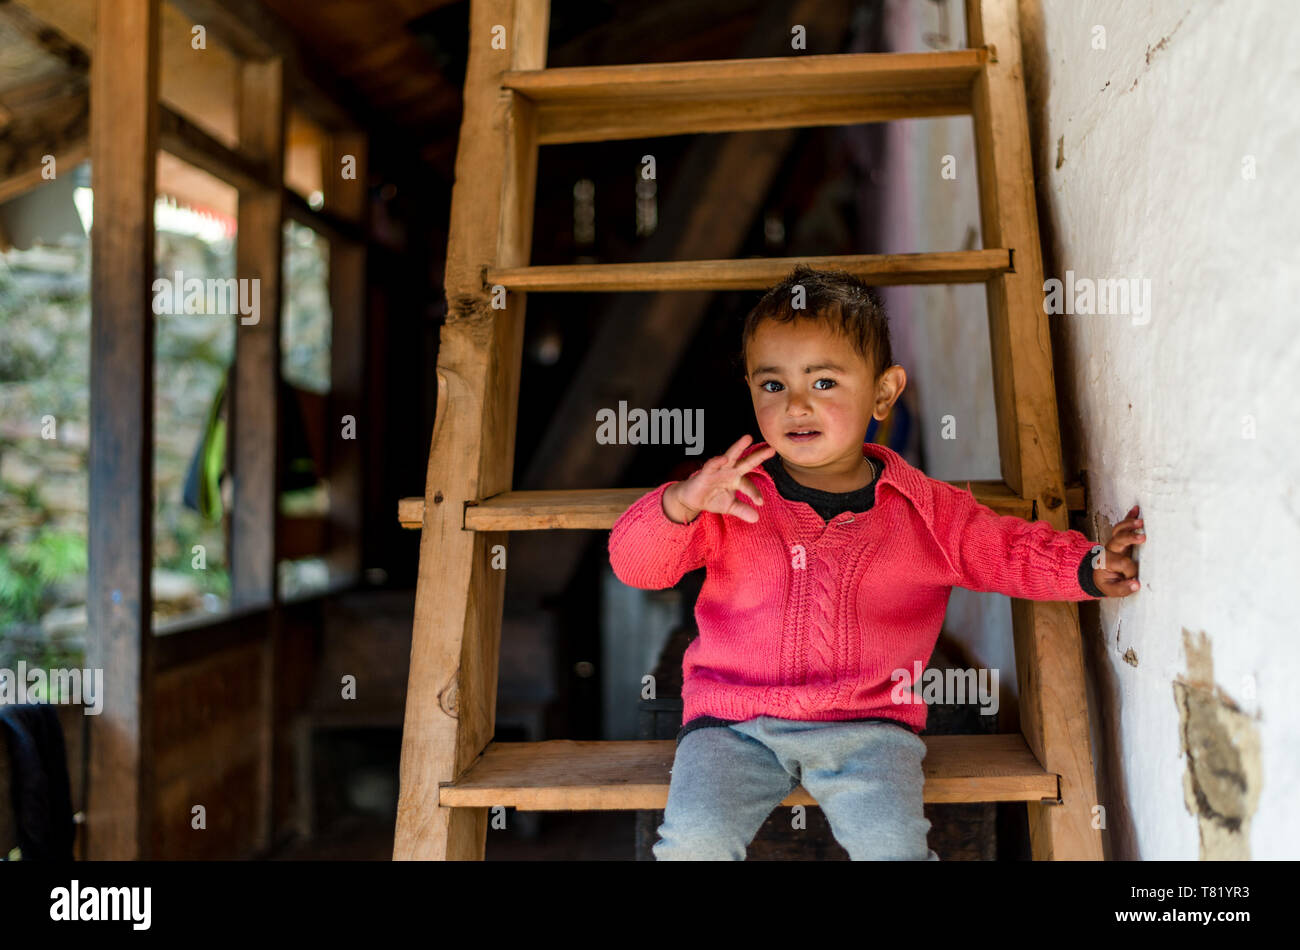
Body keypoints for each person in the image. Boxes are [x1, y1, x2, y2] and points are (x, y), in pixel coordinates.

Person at [607, 265, 1145, 861]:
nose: (797, 405)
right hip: (731, 726)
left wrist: (1086, 565)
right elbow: (637, 567)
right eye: (773, 385)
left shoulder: (926, 511)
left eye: (825, 382)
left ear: (884, 392)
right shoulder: (728, 494)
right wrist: (678, 504)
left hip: (869, 730)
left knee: (894, 850)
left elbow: (1003, 550)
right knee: (692, 843)